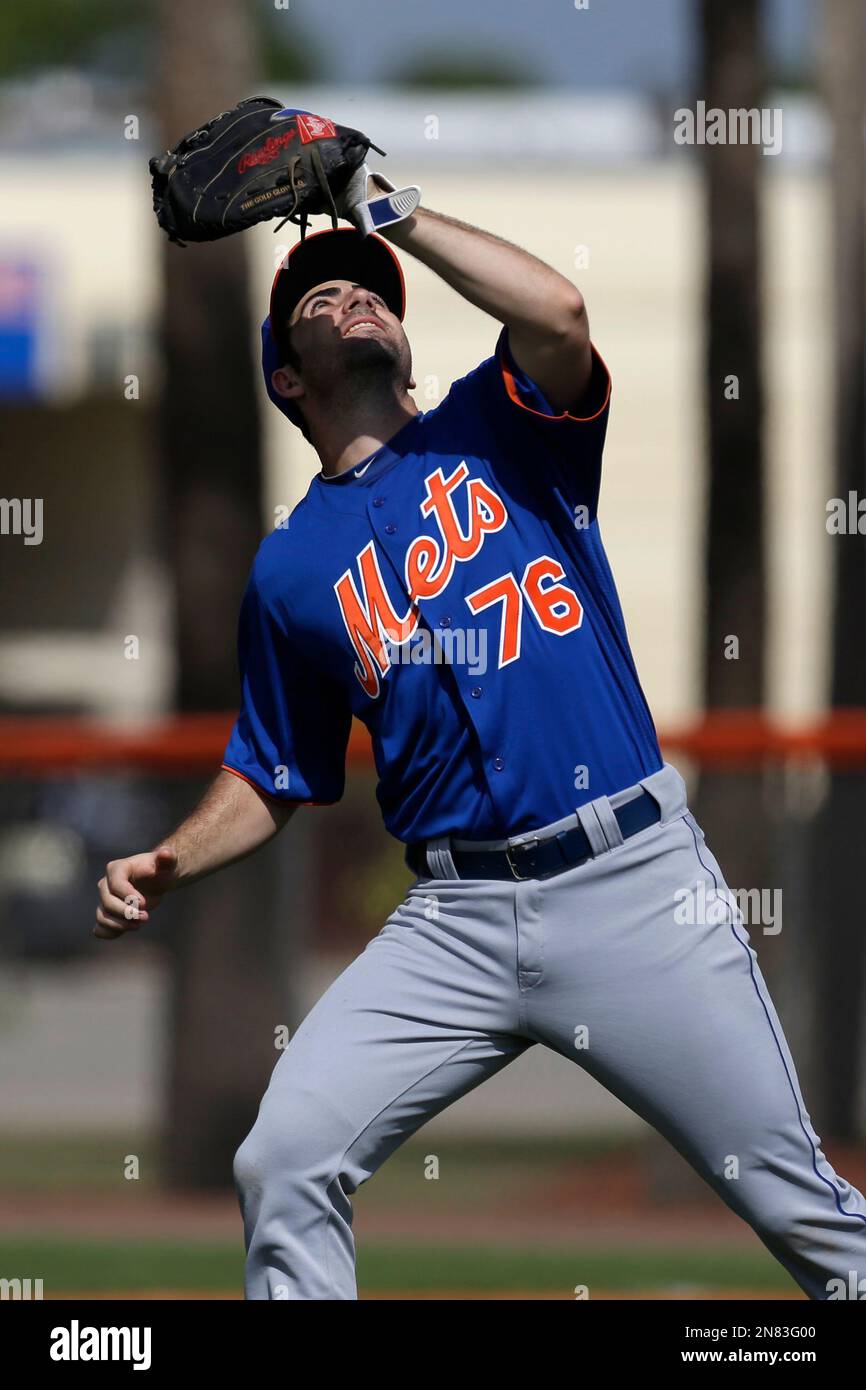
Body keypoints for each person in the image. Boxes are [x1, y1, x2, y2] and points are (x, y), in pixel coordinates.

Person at [95, 200, 866, 1301]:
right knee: (283, 1157)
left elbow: (556, 310)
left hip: (631, 884)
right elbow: (273, 771)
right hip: (450, 923)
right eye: (322, 298)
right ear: (285, 376)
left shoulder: (499, 423)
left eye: (374, 292)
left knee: (799, 1206)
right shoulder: (289, 571)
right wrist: (166, 857)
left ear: (406, 344)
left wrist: (384, 204)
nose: (358, 296)